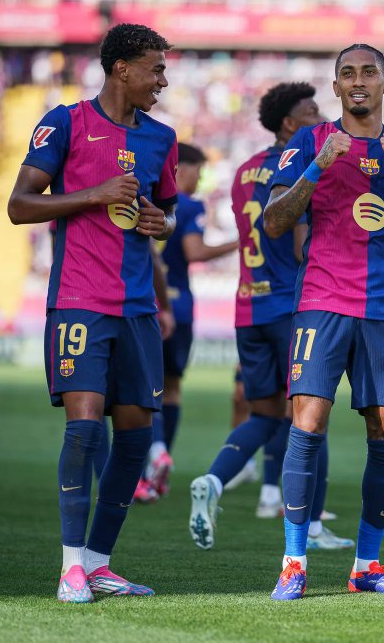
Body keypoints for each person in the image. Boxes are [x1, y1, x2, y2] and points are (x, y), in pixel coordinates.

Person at [7, 23, 177, 602]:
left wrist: (163, 223)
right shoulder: (65, 122)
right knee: (83, 429)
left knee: (134, 438)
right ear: (122, 68)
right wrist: (94, 195)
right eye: (155, 67)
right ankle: (69, 567)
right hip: (79, 300)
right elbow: (19, 205)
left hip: (137, 309)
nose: (163, 79)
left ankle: (100, 563)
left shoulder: (163, 139)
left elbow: (167, 215)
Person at [261, 44, 384, 600]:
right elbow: (273, 221)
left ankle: (367, 564)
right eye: (347, 74)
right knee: (307, 423)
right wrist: (318, 166)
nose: (358, 81)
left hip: (383, 309)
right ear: (335, 87)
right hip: (322, 301)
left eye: (369, 73)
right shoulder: (309, 142)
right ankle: (293, 561)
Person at [189, 82, 352, 551]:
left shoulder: (243, 172)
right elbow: (300, 243)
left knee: (263, 415)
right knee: (311, 415)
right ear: (289, 123)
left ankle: (216, 482)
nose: (321, 117)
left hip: (249, 305)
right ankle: (314, 526)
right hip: (290, 306)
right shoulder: (299, 164)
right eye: (311, 110)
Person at [136, 143, 238, 503]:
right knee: (172, 387)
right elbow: (195, 252)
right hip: (177, 307)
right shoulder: (187, 205)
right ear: (181, 169)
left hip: (146, 303)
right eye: (198, 170)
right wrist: (238, 244)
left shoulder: (146, 201)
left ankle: (156, 454)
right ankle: (161, 461)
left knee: (147, 390)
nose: (200, 178)